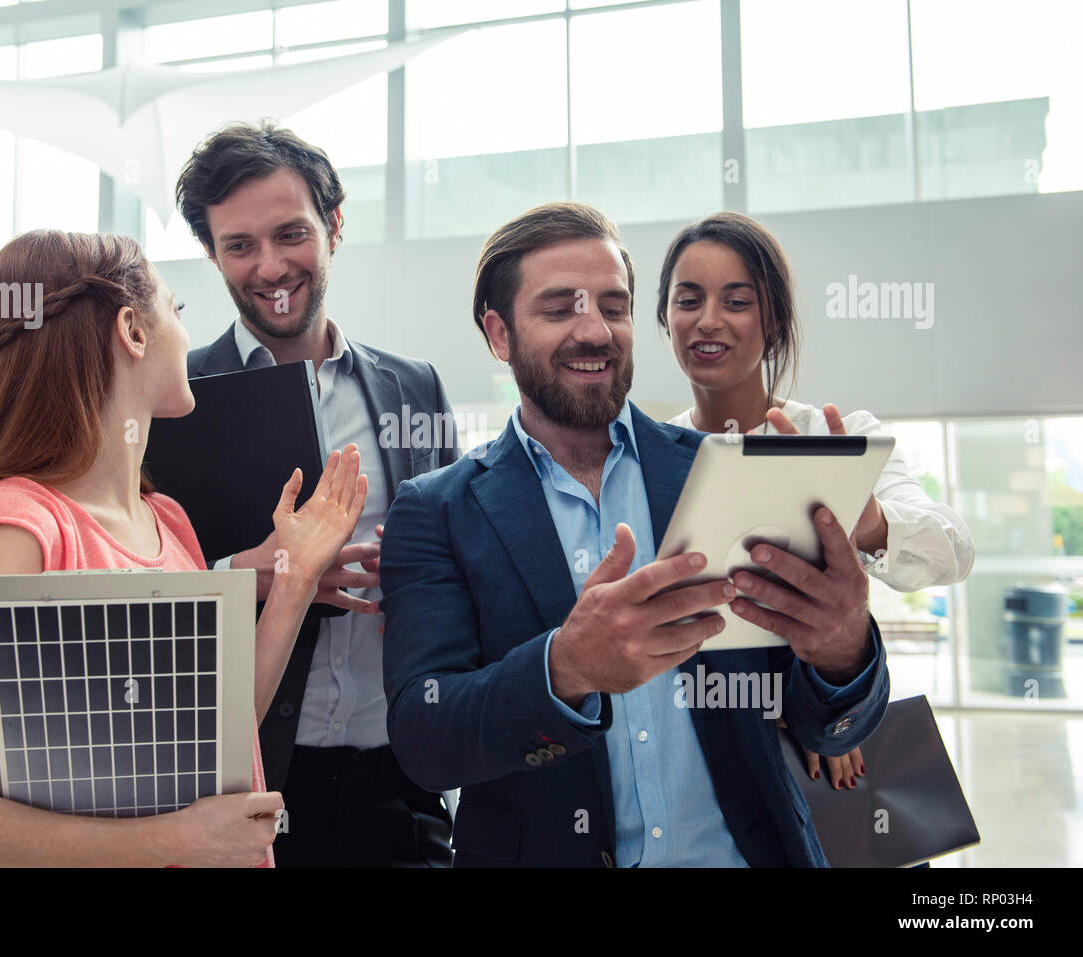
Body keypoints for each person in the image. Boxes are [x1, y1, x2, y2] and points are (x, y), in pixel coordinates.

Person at [380, 202, 890, 867]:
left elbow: (824, 721)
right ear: (499, 334)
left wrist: (842, 646)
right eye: (560, 308)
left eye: (613, 307)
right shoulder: (437, 510)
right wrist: (566, 667)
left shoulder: (720, 471)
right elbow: (426, 737)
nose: (594, 331)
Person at [0, 229, 368, 867]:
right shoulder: (19, 534)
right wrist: (173, 841)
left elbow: (215, 738)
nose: (186, 332)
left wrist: (295, 578)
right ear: (132, 330)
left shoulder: (166, 520)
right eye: (175, 310)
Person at [174, 121, 457, 866]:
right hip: (252, 785)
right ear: (211, 252)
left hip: (403, 780)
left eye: (291, 233)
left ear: (334, 225)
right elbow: (141, 590)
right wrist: (250, 572)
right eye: (239, 246)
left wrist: (423, 570)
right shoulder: (178, 398)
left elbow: (461, 555)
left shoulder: (413, 385)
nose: (269, 266)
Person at [657, 211, 974, 789]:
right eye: (688, 300)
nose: (707, 321)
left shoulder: (839, 438)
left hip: (817, 751)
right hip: (696, 760)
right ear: (665, 319)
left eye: (736, 301)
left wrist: (868, 520)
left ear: (773, 320)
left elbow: (953, 550)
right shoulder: (654, 457)